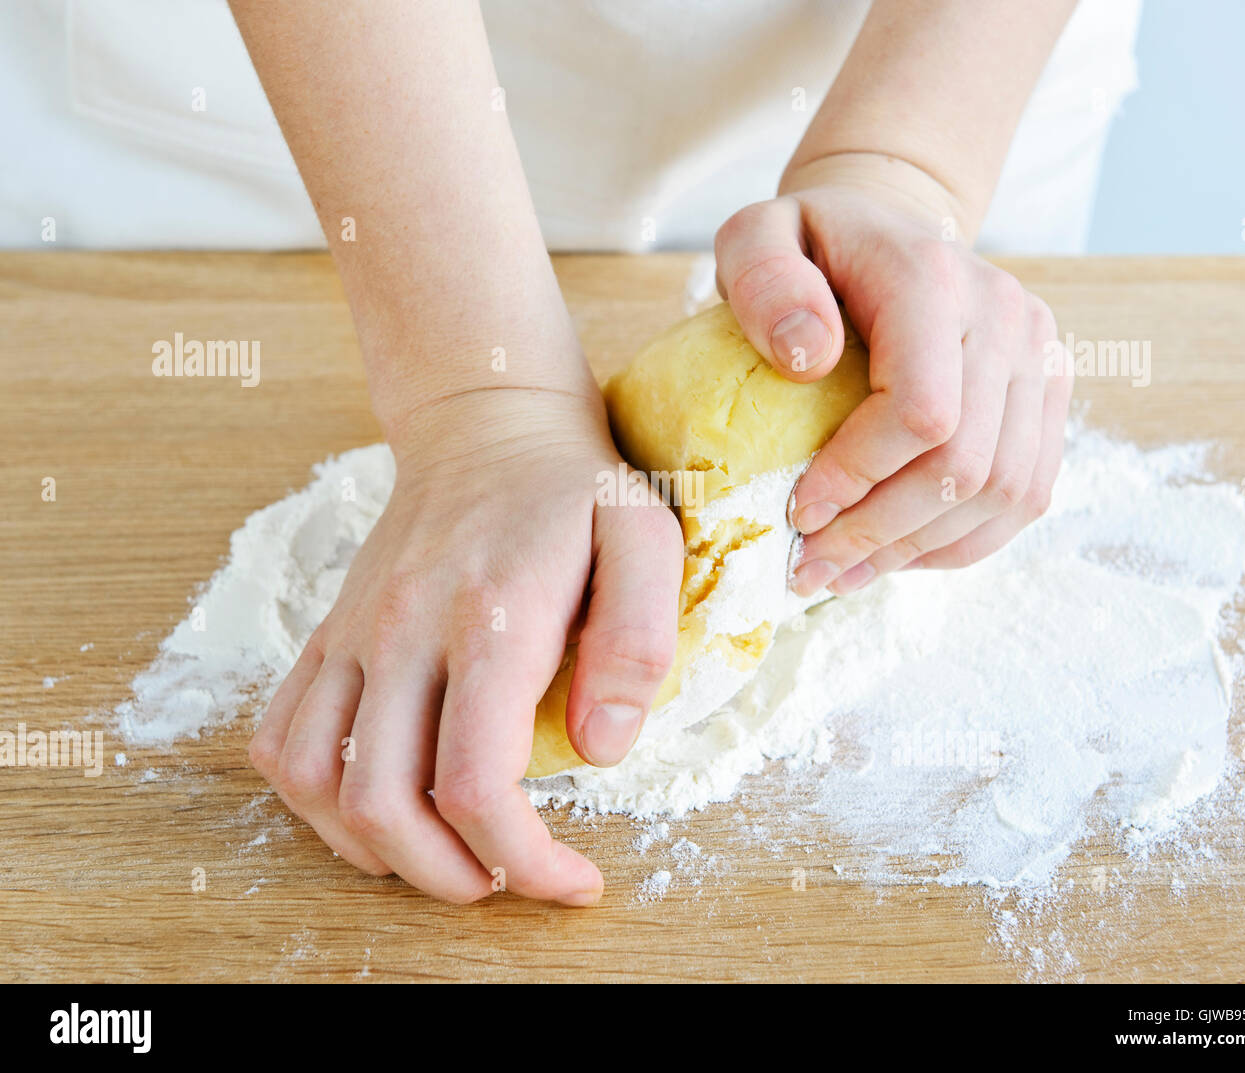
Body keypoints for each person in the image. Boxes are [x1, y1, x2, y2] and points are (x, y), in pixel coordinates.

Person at [4, 1, 1142, 905]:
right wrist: (479, 399)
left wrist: (899, 171)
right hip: (315, 107)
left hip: (933, 57)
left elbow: (908, 167)